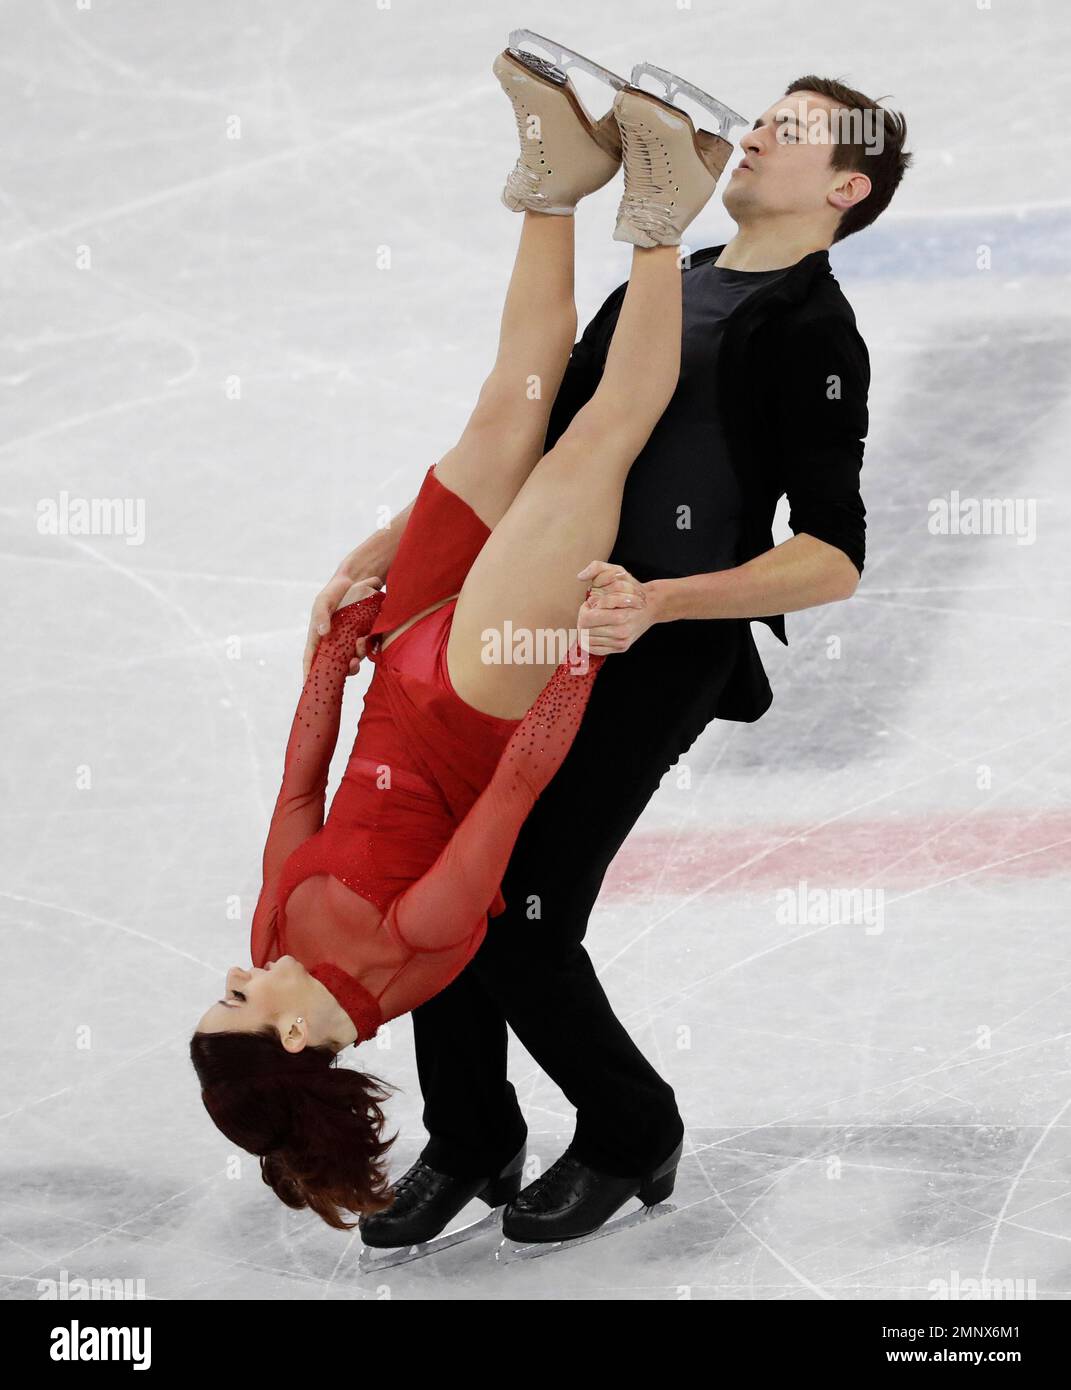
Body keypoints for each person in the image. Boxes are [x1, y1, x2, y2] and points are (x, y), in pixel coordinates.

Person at [305, 43, 913, 1249]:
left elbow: (834, 555)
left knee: (525, 910)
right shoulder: (669, 277)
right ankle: (472, 1132)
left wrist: (667, 601)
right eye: (765, 119)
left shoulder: (812, 332)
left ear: (848, 189)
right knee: (447, 884)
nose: (757, 136)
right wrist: (392, 544)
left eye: (794, 133)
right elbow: (541, 444)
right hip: (535, 624)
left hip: (655, 652)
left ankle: (634, 1130)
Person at [189, 39, 741, 1232]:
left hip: (399, 659)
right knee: (599, 435)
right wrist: (581, 656)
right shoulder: (421, 944)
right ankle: (663, 203)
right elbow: (514, 791)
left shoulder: (277, 932)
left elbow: (302, 786)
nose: (229, 973)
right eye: (234, 1002)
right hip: (482, 693)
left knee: (514, 396)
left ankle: (558, 172)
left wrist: (329, 659)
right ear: (290, 1033)